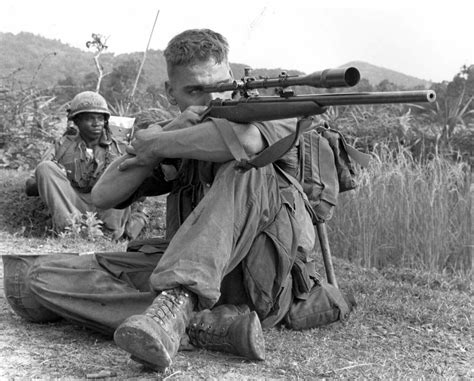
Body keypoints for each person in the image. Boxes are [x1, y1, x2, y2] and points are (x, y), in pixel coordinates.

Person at [4, 29, 353, 371]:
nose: (212, 100)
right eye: (196, 91)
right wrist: (169, 133)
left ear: (231, 77)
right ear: (171, 92)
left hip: (259, 285)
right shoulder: (177, 133)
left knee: (245, 167)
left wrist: (156, 143)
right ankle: (202, 324)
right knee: (41, 277)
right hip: (196, 286)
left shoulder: (272, 113)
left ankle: (177, 306)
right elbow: (103, 195)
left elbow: (243, 145)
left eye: (219, 86)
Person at [24, 91, 148, 240]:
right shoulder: (62, 146)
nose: (96, 123)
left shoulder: (120, 148)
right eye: (89, 118)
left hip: (107, 206)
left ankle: (107, 234)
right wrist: (58, 176)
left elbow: (141, 192)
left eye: (100, 118)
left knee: (124, 169)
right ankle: (71, 230)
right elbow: (30, 186)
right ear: (76, 121)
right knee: (46, 167)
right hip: (72, 204)